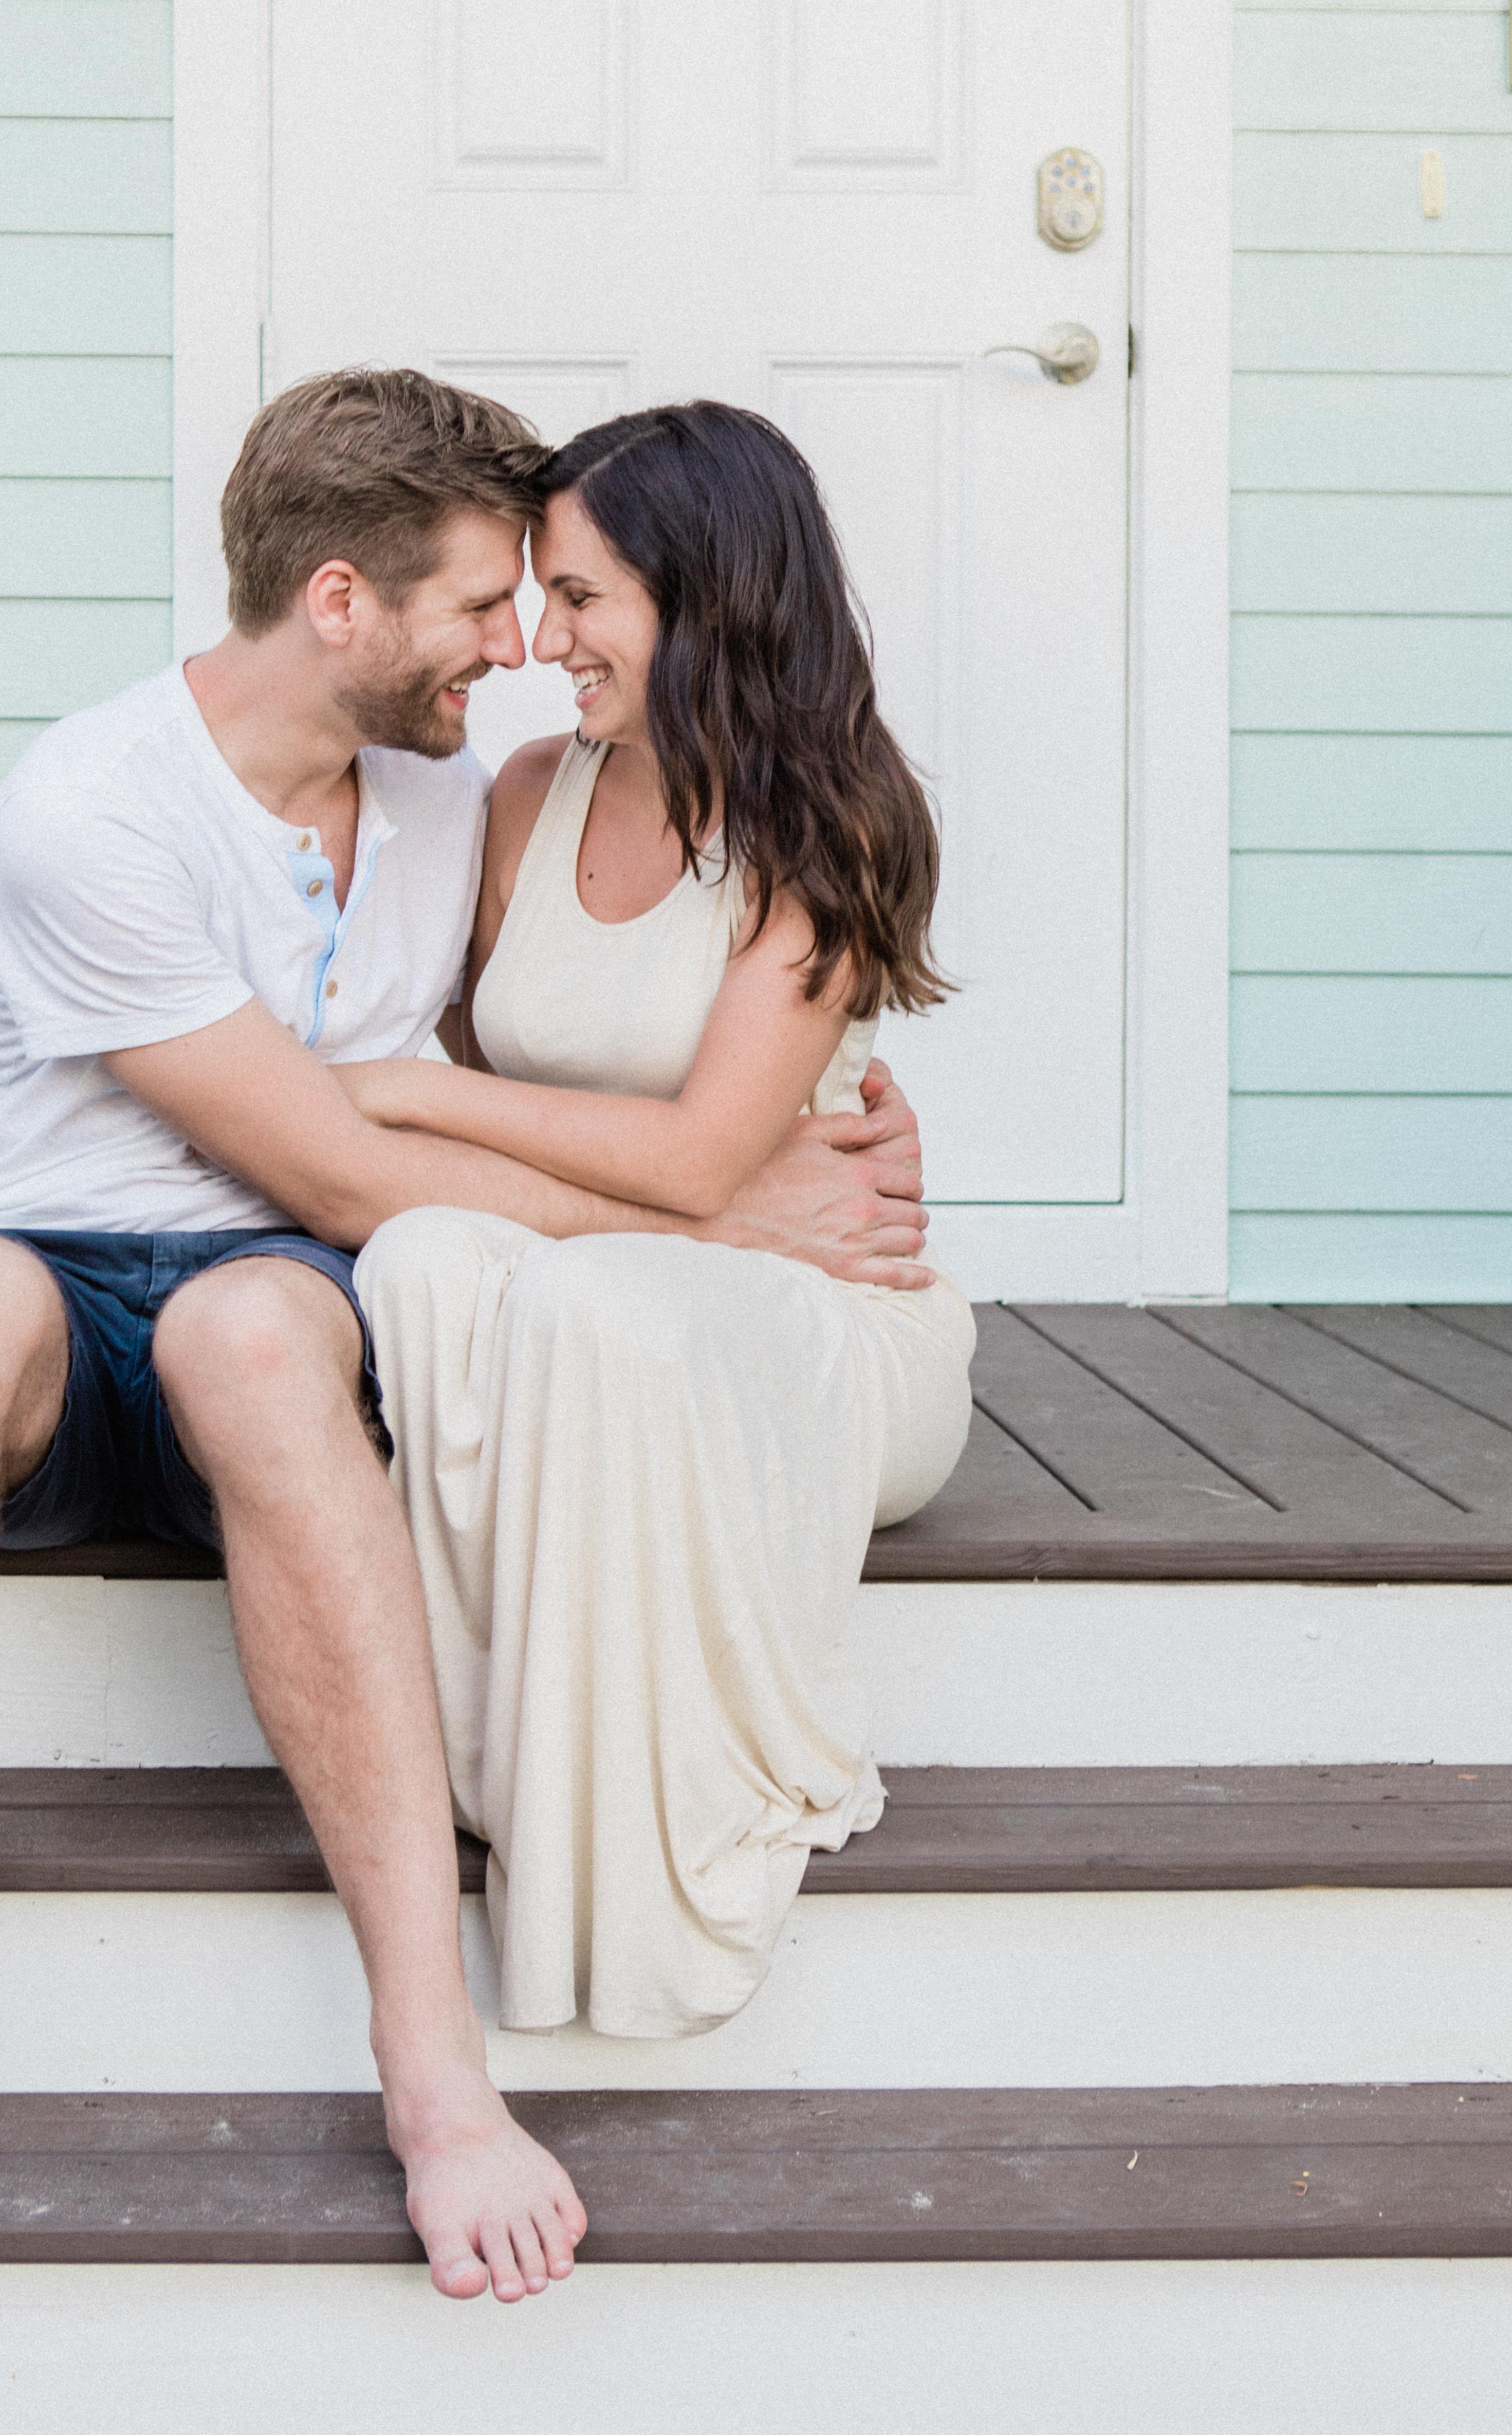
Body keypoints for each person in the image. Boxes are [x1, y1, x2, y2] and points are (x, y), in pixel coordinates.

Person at [0, 370, 935, 2303]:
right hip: (61, 1285)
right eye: (483, 606)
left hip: (281, 1310)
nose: (513, 650)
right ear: (339, 604)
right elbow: (350, 1160)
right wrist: (716, 1198)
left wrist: (760, 1155)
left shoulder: (456, 802)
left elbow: (535, 1067)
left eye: (546, 605)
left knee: (253, 1336)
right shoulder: (87, 812)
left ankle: (431, 2075)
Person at [340, 402, 975, 2038]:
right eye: (541, 599)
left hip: (829, 1308)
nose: (540, 643)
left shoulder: (829, 821)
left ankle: (642, 1843)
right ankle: (499, 1770)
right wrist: (634, 1179)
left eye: (578, 598)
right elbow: (591, 1139)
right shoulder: (532, 795)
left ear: (708, 598)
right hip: (652, 1259)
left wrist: (402, 1093)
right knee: (420, 1260)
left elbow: (689, 1160)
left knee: (588, 1307)